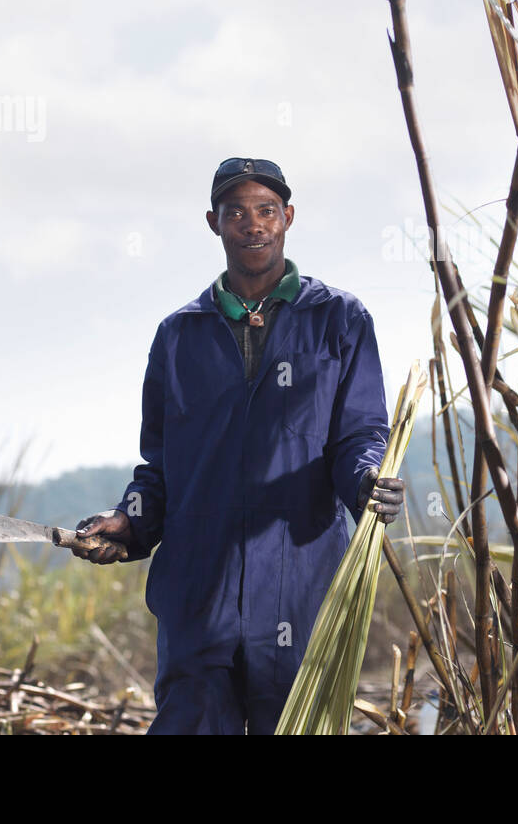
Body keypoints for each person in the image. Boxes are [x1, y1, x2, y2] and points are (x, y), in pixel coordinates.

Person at [73, 157, 404, 734]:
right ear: (214, 223)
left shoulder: (339, 320)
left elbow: (358, 435)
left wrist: (368, 480)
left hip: (301, 587)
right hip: (200, 592)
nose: (253, 224)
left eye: (267, 211)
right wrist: (130, 522)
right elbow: (161, 466)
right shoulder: (180, 335)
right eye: (237, 213)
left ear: (288, 218)